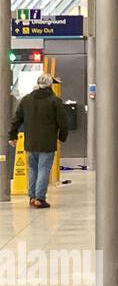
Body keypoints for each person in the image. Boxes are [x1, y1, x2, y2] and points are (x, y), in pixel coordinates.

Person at [7, 73, 69, 209]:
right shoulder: (55, 101)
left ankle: (32, 197)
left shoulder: (26, 100)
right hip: (47, 143)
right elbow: (63, 122)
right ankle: (40, 199)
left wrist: (12, 135)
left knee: (33, 170)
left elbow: (17, 119)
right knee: (43, 170)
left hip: (30, 142)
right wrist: (62, 137)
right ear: (50, 85)